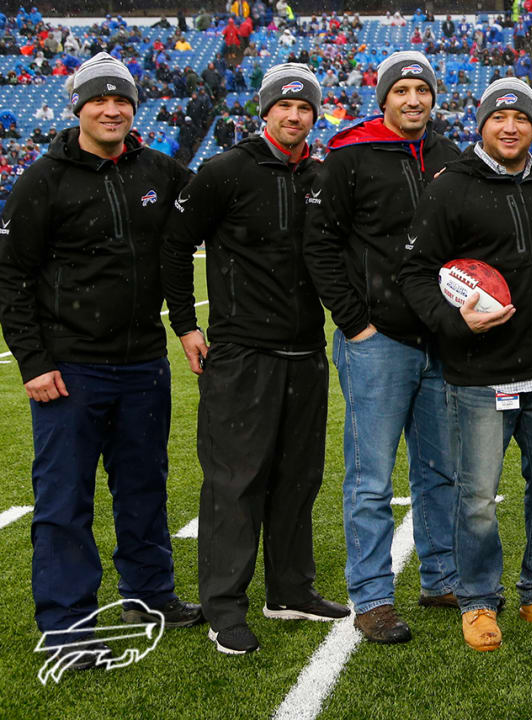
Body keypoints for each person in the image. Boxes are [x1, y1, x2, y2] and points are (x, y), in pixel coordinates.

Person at [0, 53, 202, 671]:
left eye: (122, 102)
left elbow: (213, 212)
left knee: (144, 486)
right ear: (78, 107)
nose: (112, 111)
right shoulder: (43, 179)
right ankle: (66, 625)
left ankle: (148, 594)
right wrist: (33, 362)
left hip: (143, 361)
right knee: (64, 500)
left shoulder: (158, 170)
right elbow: (11, 276)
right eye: (99, 101)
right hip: (70, 368)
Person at [161, 63, 347, 656]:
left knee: (298, 479)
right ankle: (223, 607)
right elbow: (173, 244)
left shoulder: (320, 175)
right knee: (235, 483)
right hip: (241, 353)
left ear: (315, 116)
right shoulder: (225, 171)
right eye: (284, 107)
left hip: (306, 350)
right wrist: (186, 324)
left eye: (305, 109)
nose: (295, 116)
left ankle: (290, 590)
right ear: (265, 111)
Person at [400, 78, 532, 652]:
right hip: (480, 375)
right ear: (481, 124)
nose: (511, 128)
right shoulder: (450, 187)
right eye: (499, 118)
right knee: (477, 497)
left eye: (522, 119)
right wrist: (456, 323)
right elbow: (414, 273)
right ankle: (478, 600)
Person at [304, 51, 461, 645]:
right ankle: (371, 596)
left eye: (423, 89)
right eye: (403, 90)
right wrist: (354, 324)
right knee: (370, 479)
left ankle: (441, 576)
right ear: (384, 97)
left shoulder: (450, 156)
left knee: (440, 470)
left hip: (441, 340)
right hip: (380, 340)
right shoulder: (349, 156)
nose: (414, 99)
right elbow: (319, 245)